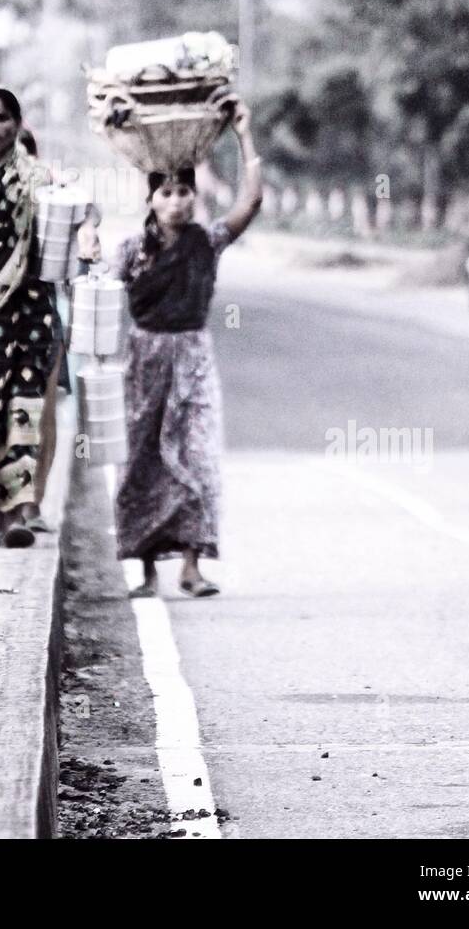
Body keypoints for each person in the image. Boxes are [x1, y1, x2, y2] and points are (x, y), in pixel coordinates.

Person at [0, 87, 100, 548]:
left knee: (25, 405)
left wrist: (87, 233)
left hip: (30, 309)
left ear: (17, 123)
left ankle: (25, 509)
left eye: (4, 118)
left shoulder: (38, 174)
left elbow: (85, 208)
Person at [113, 103, 263, 599]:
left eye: (184, 193)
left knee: (196, 456)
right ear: (151, 199)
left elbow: (250, 204)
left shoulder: (207, 241)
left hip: (193, 360)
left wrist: (244, 137)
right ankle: (148, 570)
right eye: (167, 192)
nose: (176, 202)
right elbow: (93, 285)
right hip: (143, 361)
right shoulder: (132, 250)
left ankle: (193, 567)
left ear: (195, 198)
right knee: (144, 459)